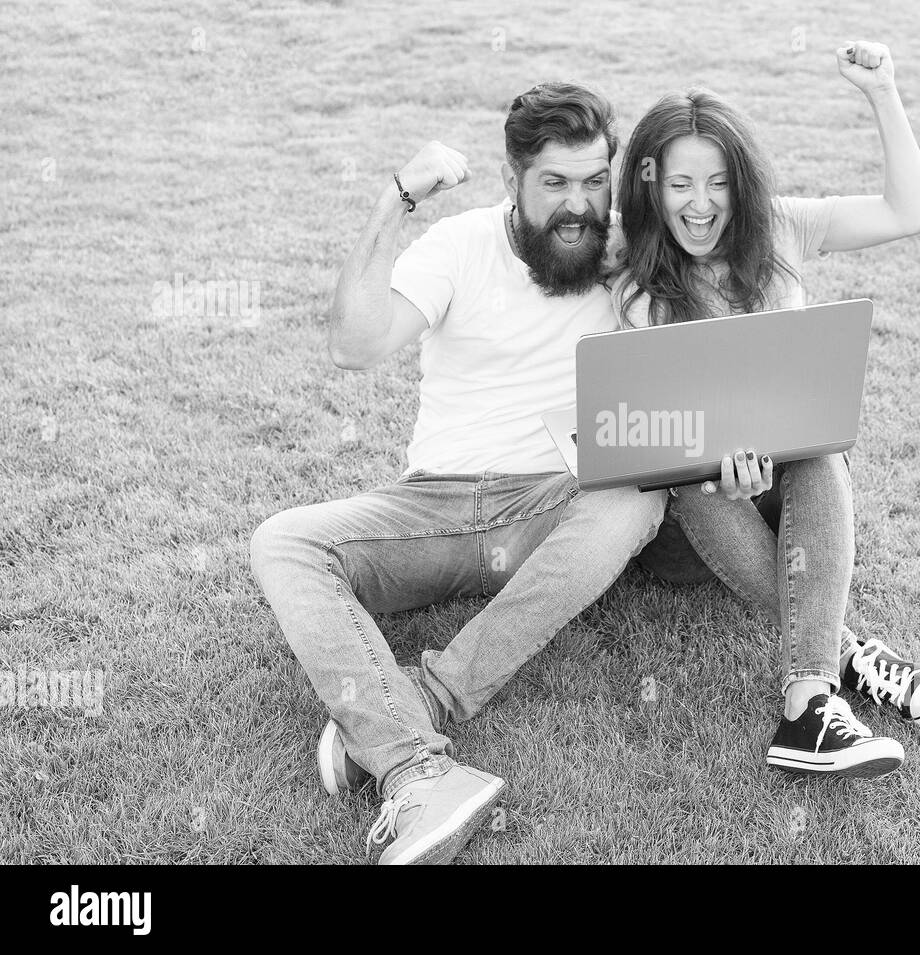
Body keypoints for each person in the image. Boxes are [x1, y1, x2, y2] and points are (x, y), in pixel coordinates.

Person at [250, 83, 666, 865]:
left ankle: (426, 699)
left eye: (594, 181)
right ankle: (421, 773)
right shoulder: (461, 246)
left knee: (637, 493)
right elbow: (355, 343)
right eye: (555, 184)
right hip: (435, 507)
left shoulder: (625, 251)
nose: (578, 206)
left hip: (556, 504)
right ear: (513, 180)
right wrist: (397, 197)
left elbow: (741, 235)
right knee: (284, 542)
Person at [614, 40, 920, 778]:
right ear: (651, 187)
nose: (698, 204)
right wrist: (715, 474)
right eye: (678, 185)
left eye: (716, 183)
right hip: (691, 520)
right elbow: (644, 437)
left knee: (819, 443)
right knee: (685, 483)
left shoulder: (784, 229)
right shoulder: (640, 282)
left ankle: (807, 703)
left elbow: (909, 210)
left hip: (780, 489)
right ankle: (852, 652)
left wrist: (883, 91)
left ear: (742, 183)